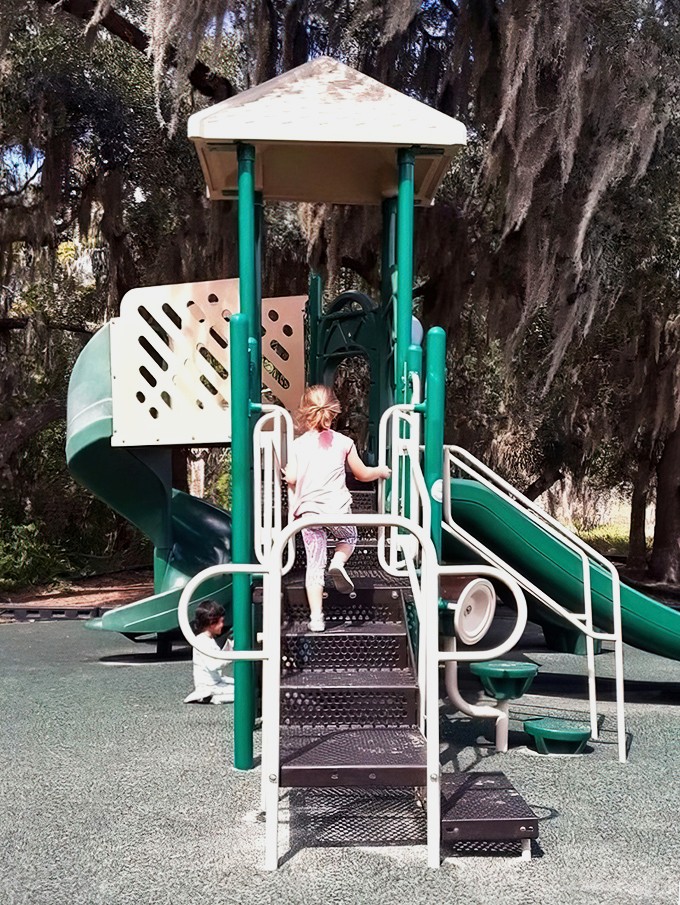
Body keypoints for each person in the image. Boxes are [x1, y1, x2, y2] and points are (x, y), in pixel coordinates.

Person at [283, 385, 391, 632]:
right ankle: (339, 562)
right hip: (336, 511)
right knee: (350, 536)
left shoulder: (298, 445)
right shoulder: (344, 442)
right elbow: (362, 474)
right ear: (334, 411)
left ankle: (316, 618)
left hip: (308, 515)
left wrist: (287, 474)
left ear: (305, 413)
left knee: (314, 564)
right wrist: (380, 471)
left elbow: (292, 478)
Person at [183, 600, 234, 704]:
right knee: (243, 692)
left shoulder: (208, 639)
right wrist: (231, 655)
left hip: (216, 681)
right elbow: (213, 664)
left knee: (240, 685)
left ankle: (210, 696)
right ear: (211, 623)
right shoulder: (202, 641)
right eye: (221, 622)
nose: (222, 625)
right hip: (208, 686)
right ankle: (212, 697)